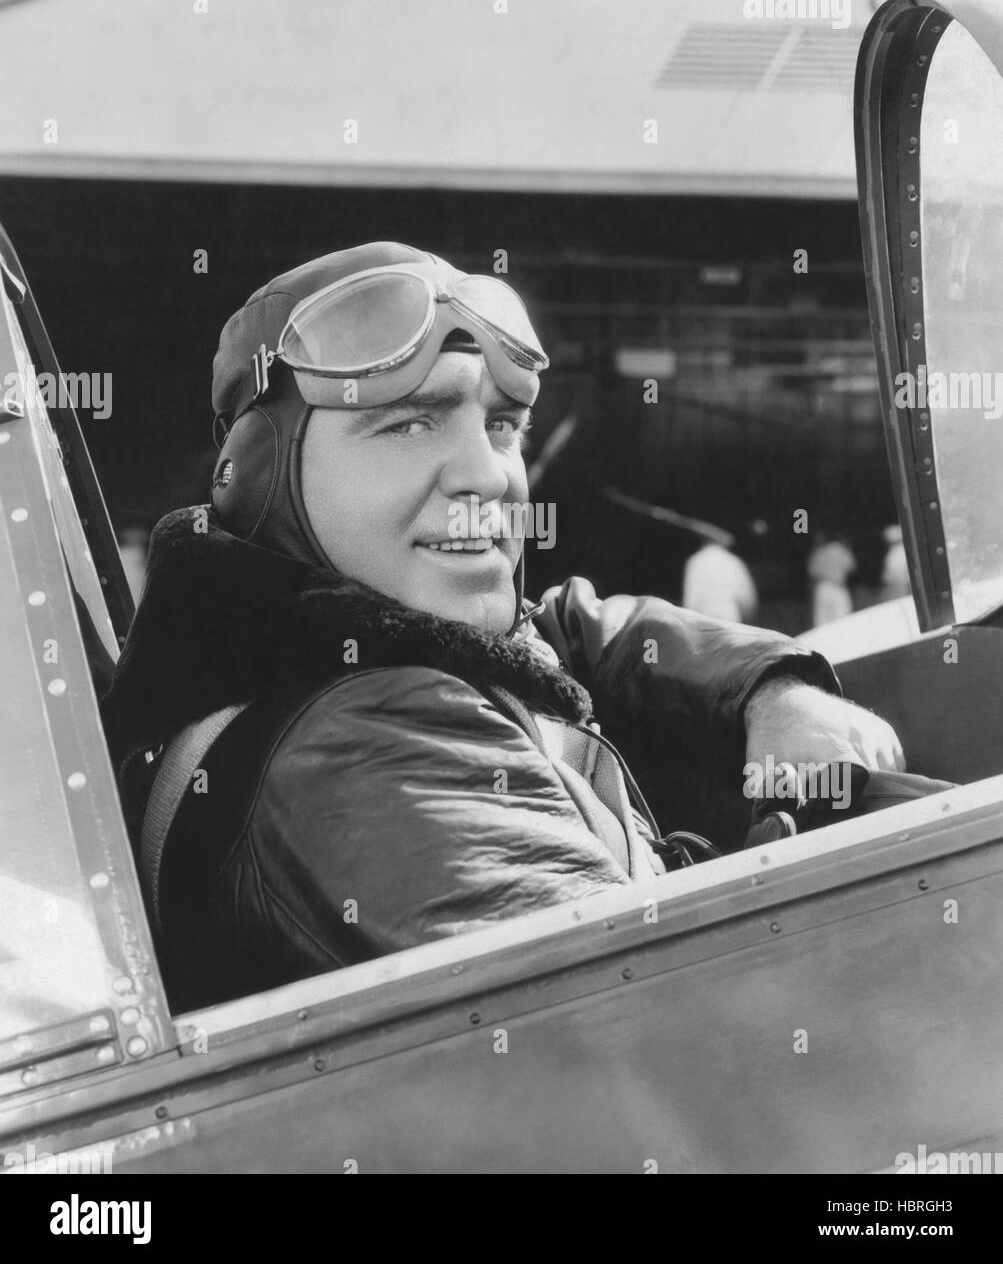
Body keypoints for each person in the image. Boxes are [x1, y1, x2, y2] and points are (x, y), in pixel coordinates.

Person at [101, 242, 904, 1011]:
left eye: (500, 426)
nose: (490, 475)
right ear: (266, 479)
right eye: (408, 423)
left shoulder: (291, 644)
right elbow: (675, 1019)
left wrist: (771, 689)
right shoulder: (359, 749)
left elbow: (561, 632)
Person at [682, 534, 758, 623]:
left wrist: (688, 621)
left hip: (703, 614)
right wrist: (748, 618)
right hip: (730, 613)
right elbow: (747, 597)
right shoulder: (734, 561)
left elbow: (691, 595)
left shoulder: (695, 560)